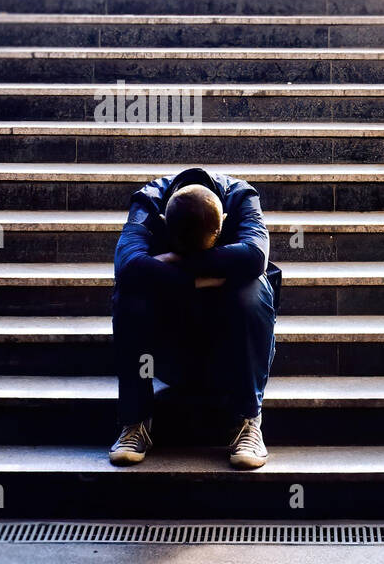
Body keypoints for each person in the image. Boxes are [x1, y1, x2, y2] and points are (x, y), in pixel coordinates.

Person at [107, 167, 280, 469]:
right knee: (129, 294)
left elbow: (254, 256)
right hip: (170, 350)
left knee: (253, 288)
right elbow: (127, 266)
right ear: (164, 223)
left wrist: (174, 262)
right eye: (181, 250)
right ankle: (135, 421)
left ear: (223, 221)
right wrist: (205, 277)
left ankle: (248, 420)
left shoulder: (241, 197)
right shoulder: (149, 202)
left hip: (227, 355)